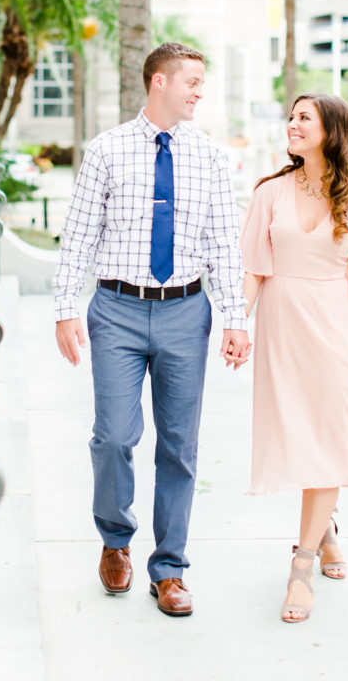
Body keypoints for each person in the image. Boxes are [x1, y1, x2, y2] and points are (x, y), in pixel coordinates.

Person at [54, 42, 250, 618]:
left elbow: (222, 244)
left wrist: (235, 318)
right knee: (114, 436)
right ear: (158, 81)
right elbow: (80, 234)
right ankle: (116, 541)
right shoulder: (106, 150)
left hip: (186, 311)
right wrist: (66, 309)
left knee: (180, 445)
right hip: (115, 307)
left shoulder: (211, 158)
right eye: (191, 80)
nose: (199, 91)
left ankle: (169, 570)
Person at [240, 93, 348, 624]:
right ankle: (325, 529)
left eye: (303, 118)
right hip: (283, 332)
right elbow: (255, 269)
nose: (292, 124)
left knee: (330, 438)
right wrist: (237, 324)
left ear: (331, 129)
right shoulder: (269, 193)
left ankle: (302, 566)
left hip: (338, 330)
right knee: (300, 436)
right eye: (290, 116)